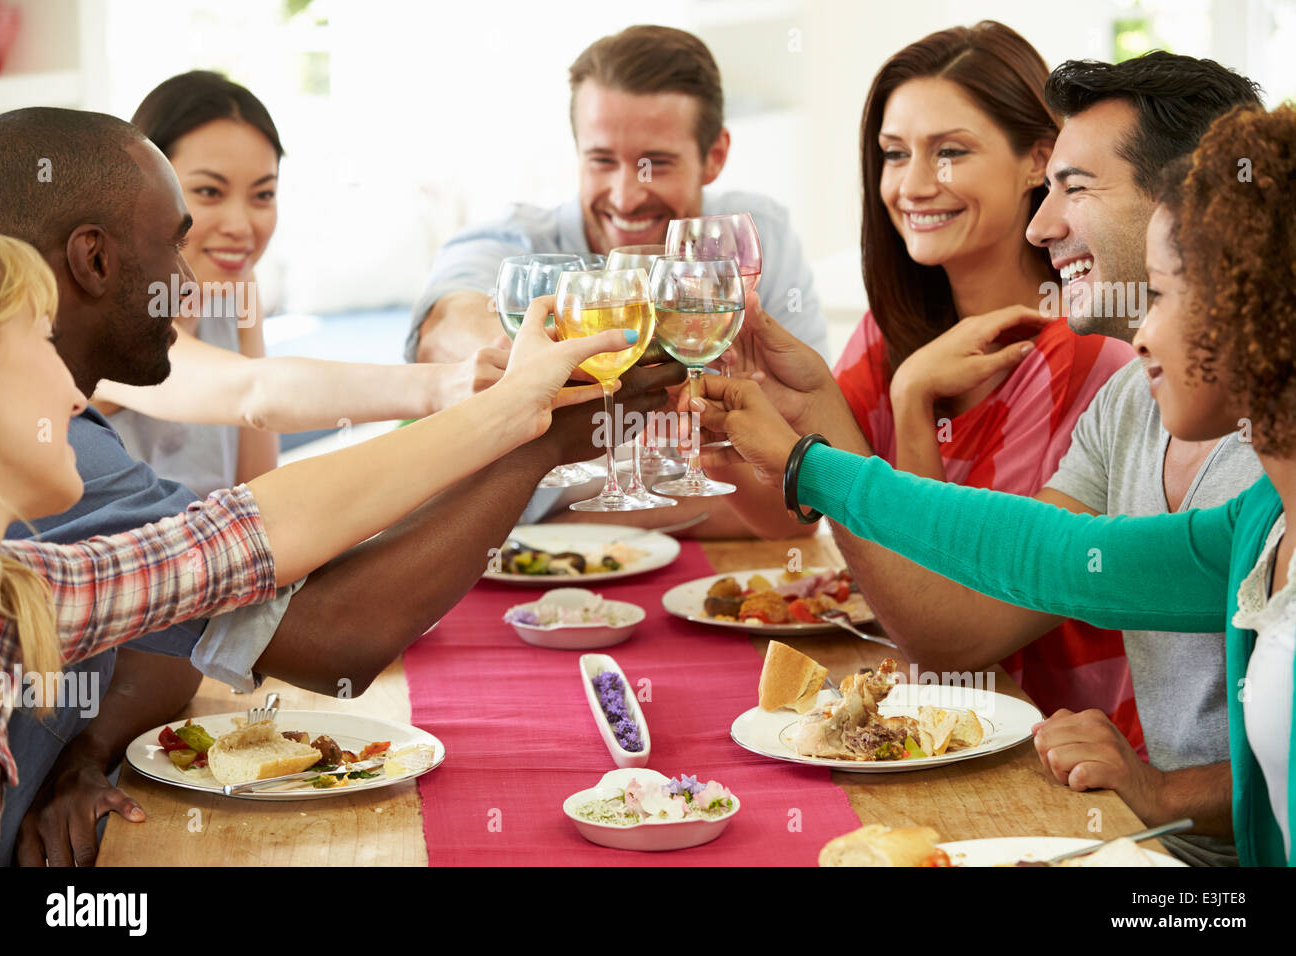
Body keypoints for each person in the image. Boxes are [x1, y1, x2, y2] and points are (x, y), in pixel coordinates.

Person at [0, 106, 681, 866]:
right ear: (91, 260)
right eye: (179, 236)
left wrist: (519, 425)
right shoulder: (66, 504)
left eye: (263, 193)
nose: (79, 403)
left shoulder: (48, 588)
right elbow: (293, 595)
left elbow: (227, 550)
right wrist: (511, 423)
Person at [689, 101, 1296, 866]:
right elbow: (1043, 551)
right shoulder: (1257, 525)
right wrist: (811, 457)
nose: (1142, 331)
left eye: (1169, 292)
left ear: (1260, 307)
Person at [741, 21, 1142, 745]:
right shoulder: (887, 333)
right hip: (944, 729)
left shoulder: (1090, 359)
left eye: (950, 152)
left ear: (1038, 161)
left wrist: (909, 409)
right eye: (895, 155)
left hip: (1059, 752)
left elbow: (950, 620)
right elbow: (799, 523)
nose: (914, 184)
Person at [406, 24, 827, 537]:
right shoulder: (521, 241)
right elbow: (442, 328)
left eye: (658, 164)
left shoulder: (746, 251)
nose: (627, 196)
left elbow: (798, 512)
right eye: (602, 160)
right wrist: (519, 351)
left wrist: (577, 513)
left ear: (714, 155)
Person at [91, 71, 509, 497]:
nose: (241, 225)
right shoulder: (102, 322)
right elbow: (255, 394)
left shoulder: (233, 291)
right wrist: (446, 383)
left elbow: (255, 490)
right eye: (209, 192)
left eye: (263, 195)